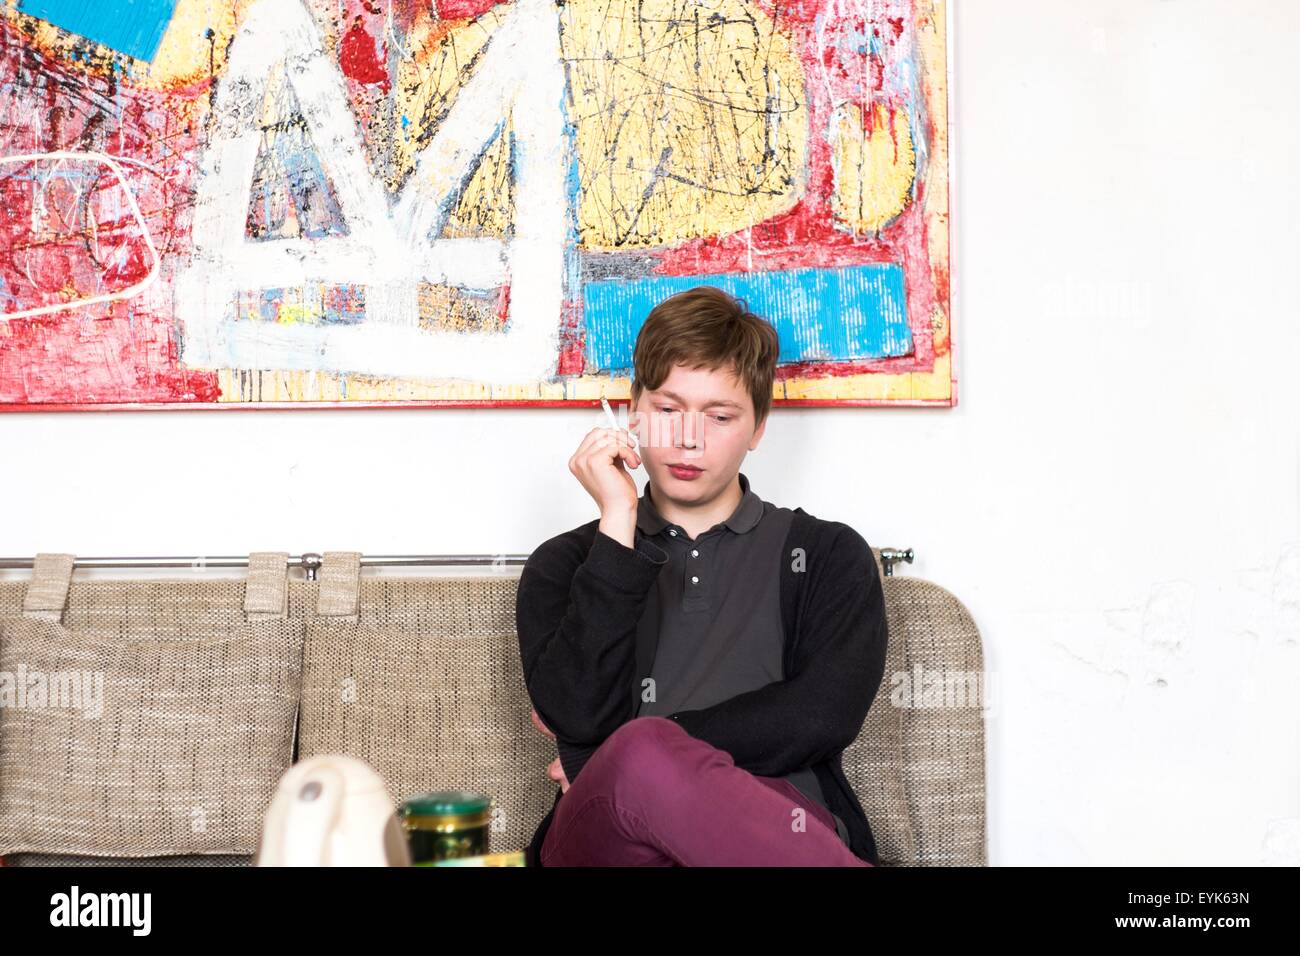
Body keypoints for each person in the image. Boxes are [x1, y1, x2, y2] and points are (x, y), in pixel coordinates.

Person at [514, 285, 888, 866]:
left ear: (759, 427)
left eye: (720, 416)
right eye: (667, 411)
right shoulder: (562, 565)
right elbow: (577, 714)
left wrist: (636, 748)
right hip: (607, 839)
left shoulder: (829, 555)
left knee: (642, 750)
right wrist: (618, 522)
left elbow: (820, 715)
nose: (689, 438)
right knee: (637, 758)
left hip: (773, 827)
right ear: (634, 412)